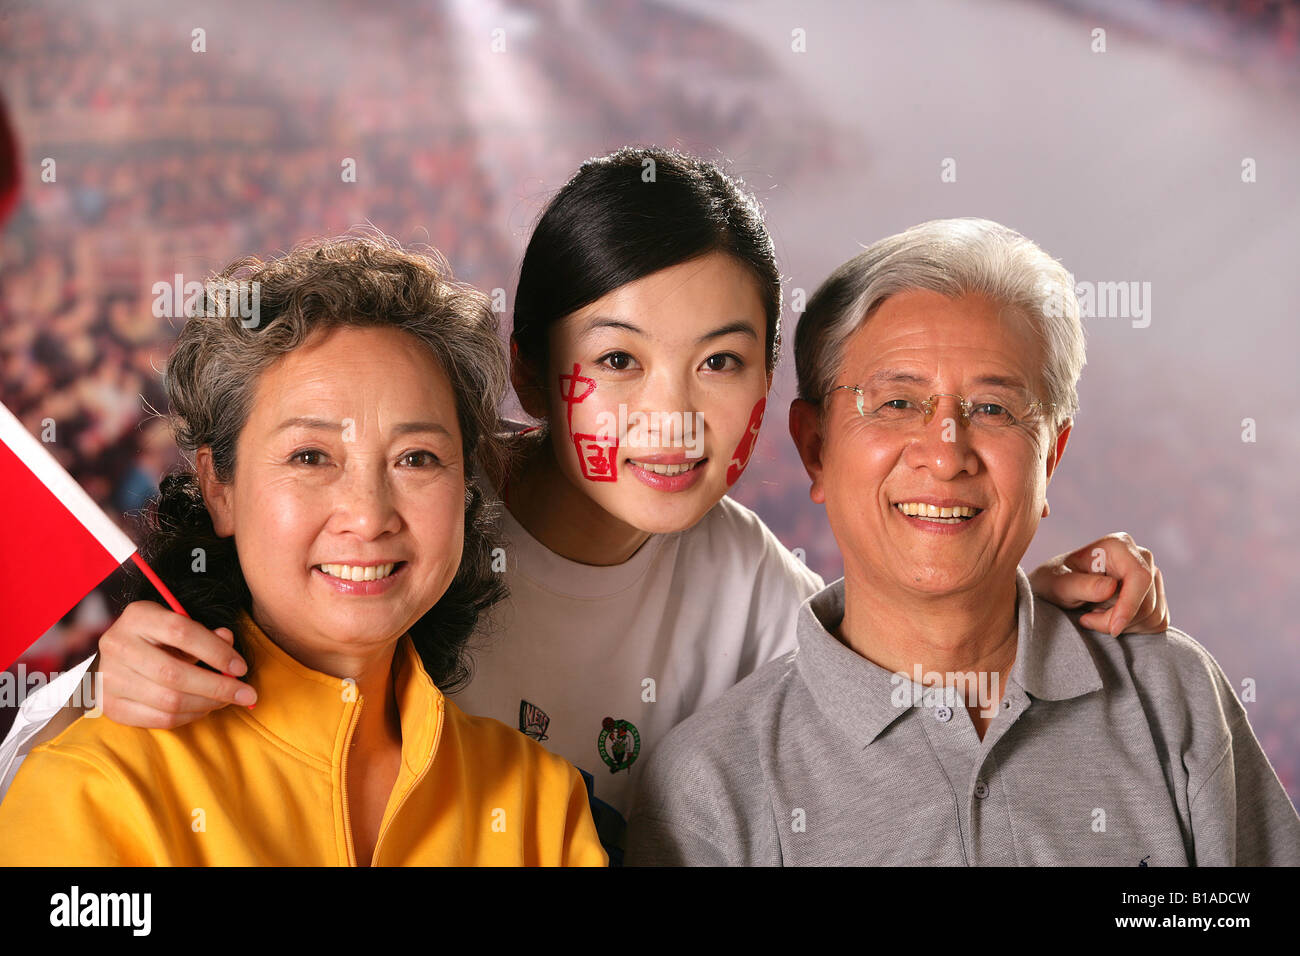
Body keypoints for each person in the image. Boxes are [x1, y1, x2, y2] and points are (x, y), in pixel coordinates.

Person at [1, 150, 1171, 865]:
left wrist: (1016, 598)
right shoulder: (391, 519)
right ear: (527, 372)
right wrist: (98, 686)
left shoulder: (750, 589)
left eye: (720, 363)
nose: (670, 417)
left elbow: (885, 666)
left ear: (774, 391)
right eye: (616, 361)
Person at [625, 218, 1300, 866]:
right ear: (815, 447)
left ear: (1050, 457)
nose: (947, 456)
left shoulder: (1172, 698)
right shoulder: (712, 789)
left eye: (993, 409)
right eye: (896, 403)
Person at [0, 236, 606, 866]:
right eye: (310, 457)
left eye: (417, 458)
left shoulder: (539, 804)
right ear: (219, 488)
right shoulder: (96, 788)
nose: (368, 516)